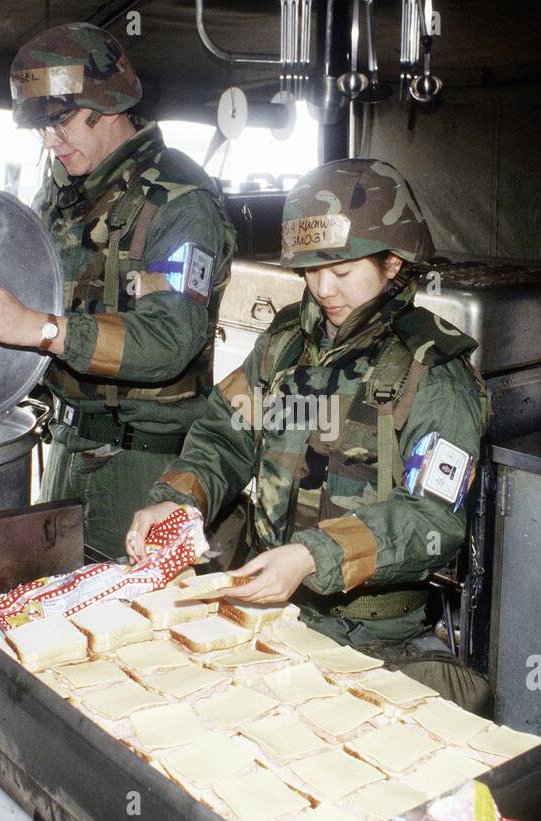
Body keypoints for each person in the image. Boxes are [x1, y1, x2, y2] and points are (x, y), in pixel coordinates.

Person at [127, 159, 488, 648]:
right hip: (265, 610)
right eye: (311, 270)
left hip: (372, 637)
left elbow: (433, 519)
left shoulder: (434, 372)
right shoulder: (284, 343)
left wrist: (313, 556)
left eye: (341, 270)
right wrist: (180, 499)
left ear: (393, 263)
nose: (323, 288)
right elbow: (224, 437)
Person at [0, 22, 236, 557]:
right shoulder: (62, 195)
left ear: (109, 105)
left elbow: (169, 340)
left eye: (60, 122)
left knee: (132, 628)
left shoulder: (180, 202)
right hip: (67, 448)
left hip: (144, 466)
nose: (49, 140)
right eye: (39, 128)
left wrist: (39, 329)